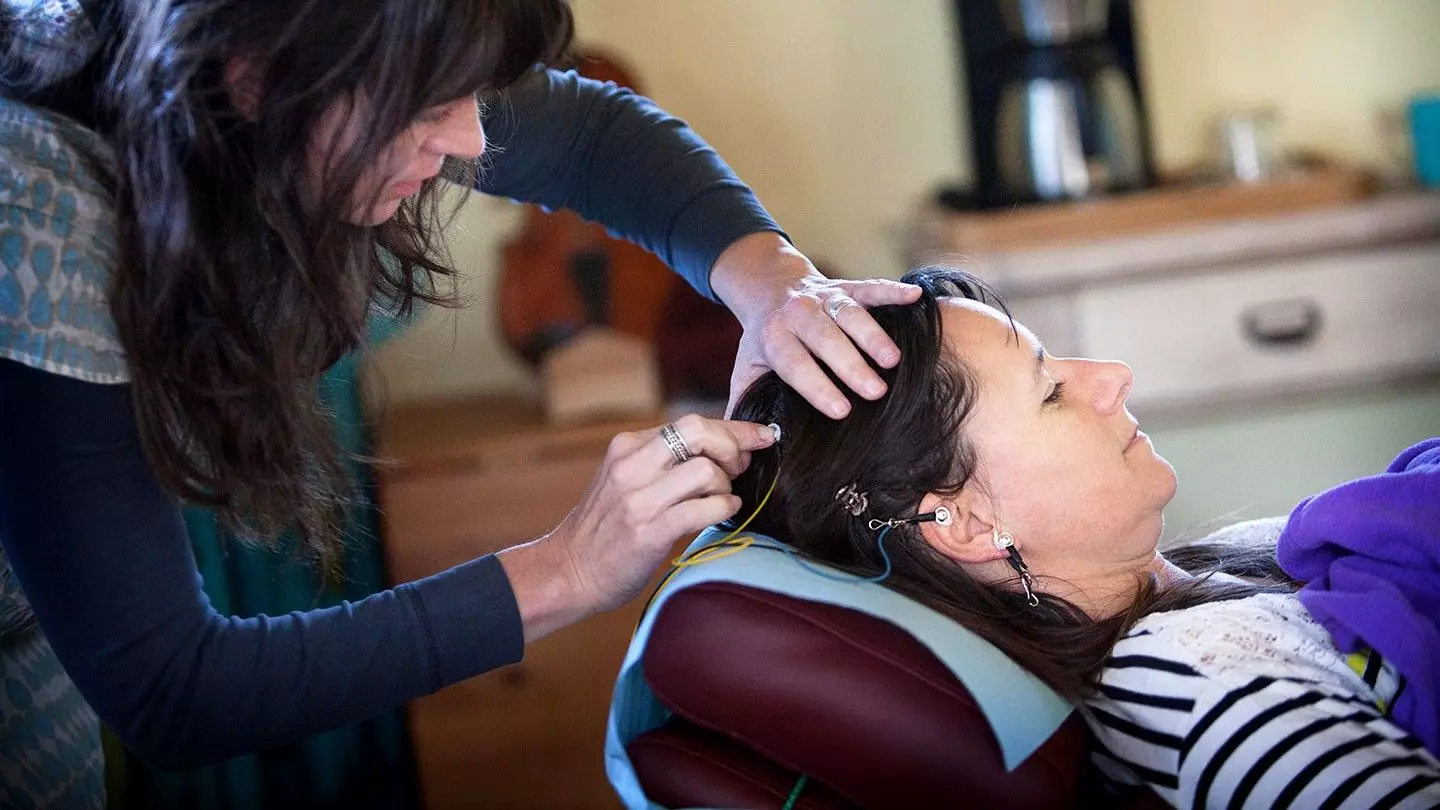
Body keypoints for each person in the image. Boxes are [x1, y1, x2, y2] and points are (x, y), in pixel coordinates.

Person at [0, 0, 923, 806]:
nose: (475, 144)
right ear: (258, 73)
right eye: (432, 105)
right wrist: (567, 568)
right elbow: (177, 690)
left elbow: (595, 137)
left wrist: (774, 280)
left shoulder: (306, 76)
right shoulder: (37, 212)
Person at [725, 267, 1440, 809]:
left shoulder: (1218, 575)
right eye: (1051, 392)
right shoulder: (1195, 686)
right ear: (965, 522)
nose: (1113, 378)